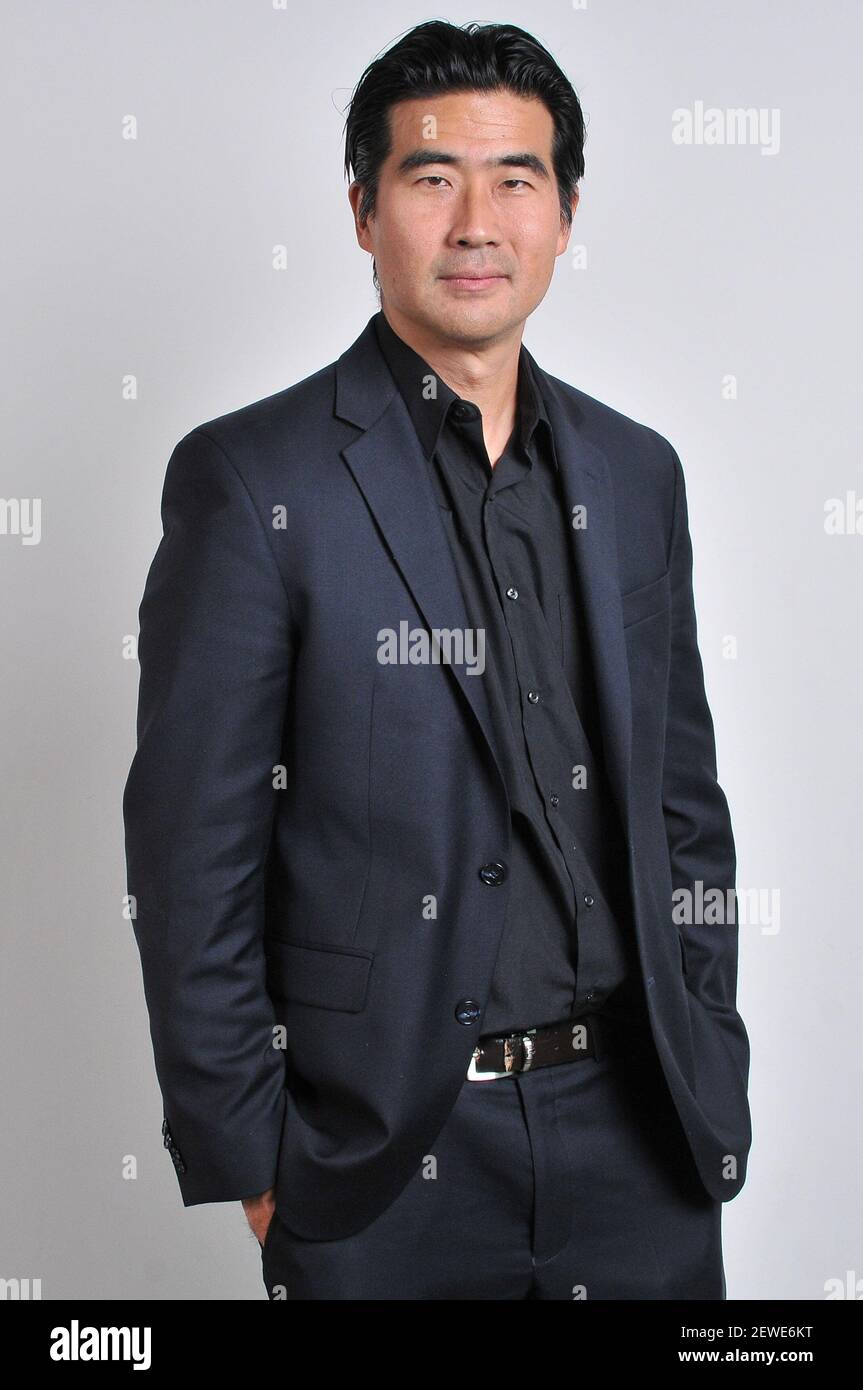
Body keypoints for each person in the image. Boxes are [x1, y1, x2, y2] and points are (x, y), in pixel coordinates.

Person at [123, 19, 752, 1300]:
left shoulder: (636, 474)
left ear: (565, 214)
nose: (477, 221)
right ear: (362, 210)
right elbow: (191, 853)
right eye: (430, 178)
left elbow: (685, 805)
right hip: (385, 1164)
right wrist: (259, 1163)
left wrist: (709, 1048)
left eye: (516, 178)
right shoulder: (253, 481)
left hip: (639, 1137)